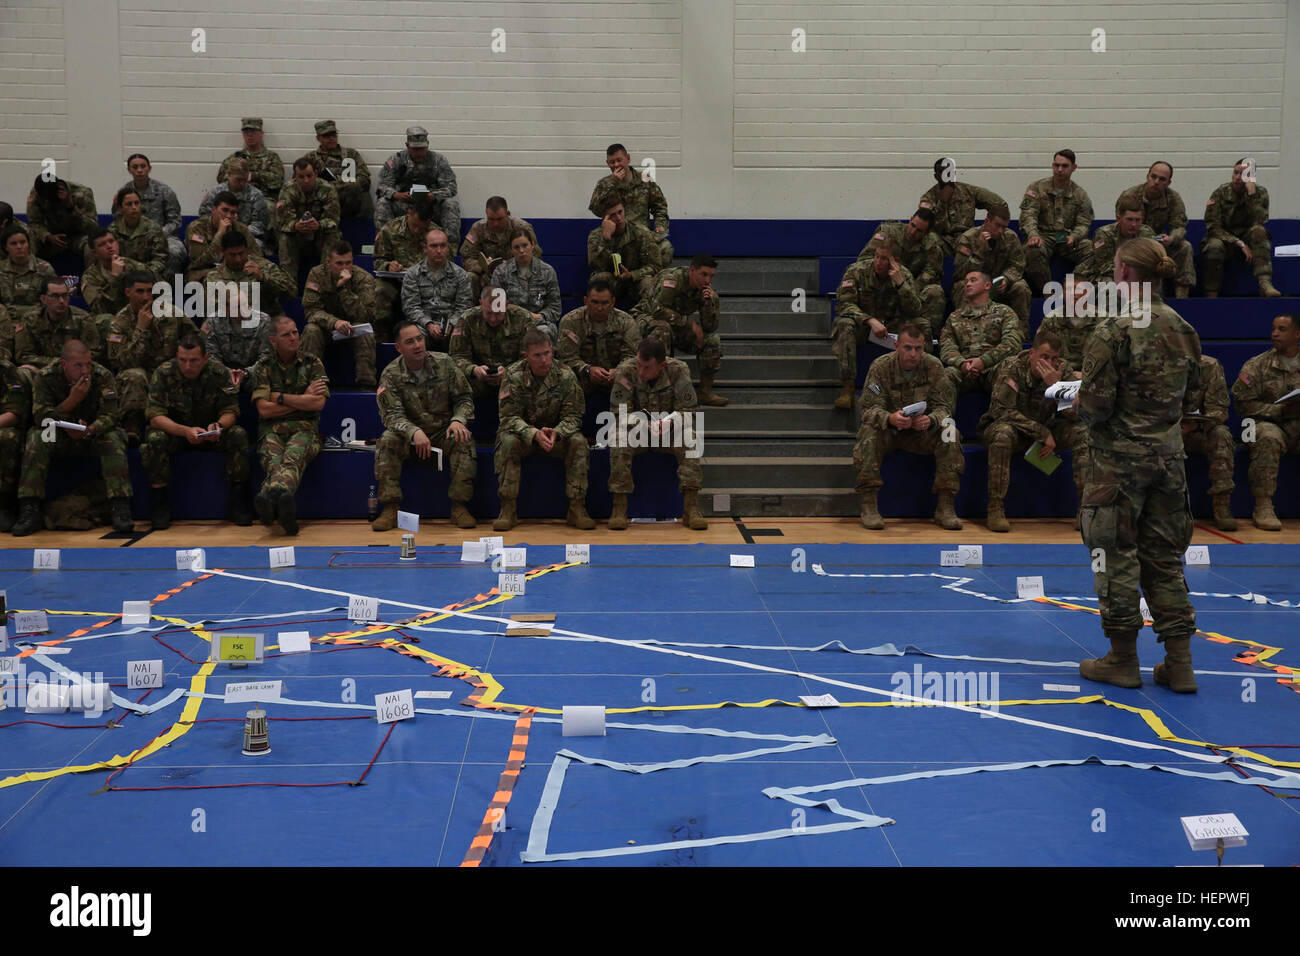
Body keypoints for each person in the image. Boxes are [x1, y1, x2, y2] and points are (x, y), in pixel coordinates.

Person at [1078, 237, 1201, 693]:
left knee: (1116, 558)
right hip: (1169, 463)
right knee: (1166, 561)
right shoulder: (1184, 327)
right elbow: (1189, 397)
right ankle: (1180, 664)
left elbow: (1094, 407)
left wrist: (1076, 398)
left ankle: (1123, 659)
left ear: (1126, 274)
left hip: (1118, 467)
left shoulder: (1114, 330)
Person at [11, 339, 133, 536]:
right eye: (78, 365)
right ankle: (30, 508)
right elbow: (41, 417)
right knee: (37, 437)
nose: (85, 371)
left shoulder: (102, 375)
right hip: (59, 434)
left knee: (114, 438)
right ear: (64, 365)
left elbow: (111, 416)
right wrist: (72, 400)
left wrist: (91, 429)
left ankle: (120, 506)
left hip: (92, 434)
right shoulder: (46, 377)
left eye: (87, 364)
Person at [854, 323, 963, 531]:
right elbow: (868, 409)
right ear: (896, 346)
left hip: (919, 432)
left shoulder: (934, 367)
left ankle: (945, 506)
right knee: (868, 432)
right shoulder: (880, 366)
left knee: (950, 432)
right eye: (907, 348)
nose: (913, 354)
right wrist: (890, 418)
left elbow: (945, 407)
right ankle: (869, 505)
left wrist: (931, 420)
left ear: (924, 348)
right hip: (890, 431)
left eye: (918, 349)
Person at [371, 319, 477, 531]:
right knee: (386, 441)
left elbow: (464, 398)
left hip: (442, 431)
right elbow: (391, 415)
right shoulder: (390, 374)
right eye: (410, 342)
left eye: (420, 339)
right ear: (399, 348)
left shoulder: (445, 363)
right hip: (409, 435)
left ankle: (459, 507)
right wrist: (413, 431)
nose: (418, 345)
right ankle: (390, 509)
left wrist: (458, 419)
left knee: (464, 439)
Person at [977, 329, 1087, 532]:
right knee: (1001, 435)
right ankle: (995, 507)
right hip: (1014, 428)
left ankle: (1085, 510)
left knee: (1083, 434)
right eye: (1044, 357)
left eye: (1053, 358)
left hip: (1047, 427)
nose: (1049, 363)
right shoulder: (1012, 367)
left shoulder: (1062, 370)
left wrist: (1057, 388)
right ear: (1031, 354)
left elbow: (1077, 416)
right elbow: (1001, 410)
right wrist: (1041, 432)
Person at [143, 333, 252, 529]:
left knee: (238, 434)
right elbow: (155, 416)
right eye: (182, 360)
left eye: (193, 361)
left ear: (205, 358)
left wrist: (219, 426)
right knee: (155, 438)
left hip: (211, 434)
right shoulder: (163, 373)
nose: (187, 366)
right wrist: (184, 431)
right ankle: (160, 503)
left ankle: (239, 500)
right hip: (177, 433)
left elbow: (231, 410)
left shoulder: (219, 373)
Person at [493, 328, 594, 531]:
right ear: (526, 356)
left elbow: (573, 416)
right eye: (537, 355)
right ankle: (508, 508)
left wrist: (558, 432)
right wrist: (533, 434)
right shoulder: (513, 375)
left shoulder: (565, 375)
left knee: (579, 442)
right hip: (524, 436)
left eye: (547, 353)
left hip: (555, 436)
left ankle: (577, 507)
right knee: (507, 441)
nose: (544, 360)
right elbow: (508, 417)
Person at [607, 338, 707, 531]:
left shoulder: (678, 370)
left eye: (647, 367)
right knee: (618, 438)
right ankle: (619, 509)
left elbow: (690, 410)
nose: (641, 371)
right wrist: (642, 424)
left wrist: (670, 422)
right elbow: (618, 413)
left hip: (668, 430)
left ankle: (691, 508)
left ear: (661, 365)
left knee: (691, 439)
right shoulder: (626, 371)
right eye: (639, 365)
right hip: (637, 431)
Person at [250, 316, 329, 535]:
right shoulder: (263, 366)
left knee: (292, 457)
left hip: (305, 429)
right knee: (274, 462)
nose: (294, 338)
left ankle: (269, 498)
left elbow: (318, 402)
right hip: (270, 430)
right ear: (274, 341)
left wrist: (281, 398)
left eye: (296, 332)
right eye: (287, 334)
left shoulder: (313, 363)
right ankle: (285, 511)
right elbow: (264, 410)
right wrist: (302, 399)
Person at [105, 270, 200, 443]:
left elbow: (196, 339)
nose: (146, 297)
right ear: (128, 292)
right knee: (134, 375)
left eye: (150, 291)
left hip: (170, 373)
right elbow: (121, 362)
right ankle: (132, 427)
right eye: (140, 291)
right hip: (144, 376)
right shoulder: (118, 323)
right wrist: (141, 330)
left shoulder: (171, 313)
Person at [830, 240, 922, 409]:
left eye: (884, 259)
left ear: (895, 260)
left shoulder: (904, 275)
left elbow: (915, 309)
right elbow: (844, 304)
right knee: (844, 324)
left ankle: (917, 388)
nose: (878, 262)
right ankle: (847, 388)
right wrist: (870, 320)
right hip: (864, 326)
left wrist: (900, 284)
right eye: (877, 257)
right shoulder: (857, 271)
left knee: (921, 325)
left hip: (891, 326)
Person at [1230, 313, 1300, 531]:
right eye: (1273, 329)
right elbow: (1242, 406)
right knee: (1267, 437)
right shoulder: (1257, 365)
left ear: (1297, 334)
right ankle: (1263, 506)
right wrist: (1279, 410)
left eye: (1281, 329)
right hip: (1264, 425)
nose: (1275, 334)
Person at [634, 254, 727, 406]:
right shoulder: (672, 279)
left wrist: (710, 303)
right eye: (703, 274)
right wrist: (688, 324)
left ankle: (704, 392)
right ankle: (656, 392)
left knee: (712, 340)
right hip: (647, 320)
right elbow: (657, 310)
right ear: (692, 270)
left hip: (675, 326)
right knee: (662, 329)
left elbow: (710, 327)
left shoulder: (704, 290)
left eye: (711, 276)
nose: (707, 280)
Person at [301, 241, 379, 389]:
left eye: (348, 263)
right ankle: (307, 383)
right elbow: (311, 310)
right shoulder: (317, 274)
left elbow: (365, 315)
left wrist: (343, 289)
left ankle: (366, 386)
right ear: (328, 262)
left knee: (366, 334)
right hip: (327, 328)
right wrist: (334, 322)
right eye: (339, 263)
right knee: (311, 330)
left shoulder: (363, 278)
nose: (344, 268)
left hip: (353, 328)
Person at [1201, 158, 1281, 298]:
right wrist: (1238, 242)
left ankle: (1265, 284)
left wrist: (1251, 195)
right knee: (1214, 245)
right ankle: (1211, 294)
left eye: (1243, 175)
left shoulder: (1260, 193)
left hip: (1249, 239)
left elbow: (1260, 220)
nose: (1238, 178)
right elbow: (1212, 226)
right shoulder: (1220, 193)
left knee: (1259, 231)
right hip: (1225, 240)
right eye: (1236, 173)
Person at [1114, 161, 1195, 296]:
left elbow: (1179, 226)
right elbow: (1123, 223)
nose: (1156, 182)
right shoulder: (1130, 195)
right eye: (1153, 177)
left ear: (1168, 182)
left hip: (1160, 241)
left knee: (1185, 247)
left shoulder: (1173, 198)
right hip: (1134, 243)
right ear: (1147, 176)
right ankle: (1150, 297)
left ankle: (1182, 299)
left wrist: (1172, 238)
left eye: (1162, 179)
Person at [1019, 149, 1094, 294]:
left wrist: (1074, 237)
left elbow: (1084, 223)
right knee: (1031, 250)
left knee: (1090, 249)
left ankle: (1072, 289)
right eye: (1056, 165)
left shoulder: (1080, 194)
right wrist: (1033, 235)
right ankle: (1049, 292)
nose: (1059, 170)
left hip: (1066, 237)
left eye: (1064, 166)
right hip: (1043, 236)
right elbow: (1028, 215)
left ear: (1074, 168)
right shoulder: (1037, 187)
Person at [860, 210, 945, 333]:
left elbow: (931, 273)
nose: (913, 232)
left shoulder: (932, 245)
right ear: (910, 220)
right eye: (912, 225)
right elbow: (865, 260)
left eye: (919, 231)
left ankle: (925, 337)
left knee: (935, 291)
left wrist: (905, 287)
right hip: (883, 284)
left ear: (927, 232)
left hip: (910, 289)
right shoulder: (888, 233)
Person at [939, 270, 1023, 395]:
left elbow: (1012, 344)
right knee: (946, 375)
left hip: (993, 368)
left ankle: (1003, 413)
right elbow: (947, 346)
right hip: (965, 370)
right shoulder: (955, 317)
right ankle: (943, 413)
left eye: (973, 280)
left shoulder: (1004, 312)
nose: (967, 284)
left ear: (987, 285)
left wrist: (983, 361)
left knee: (1010, 370)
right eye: (966, 281)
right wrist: (962, 363)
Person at [950, 204, 1031, 333]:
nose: (1000, 231)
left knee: (1021, 286)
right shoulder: (968, 238)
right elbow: (961, 273)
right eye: (997, 225)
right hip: (976, 287)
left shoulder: (1010, 238)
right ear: (987, 221)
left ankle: (1020, 333)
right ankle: (966, 335)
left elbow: (1018, 265)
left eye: (1004, 227)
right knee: (961, 286)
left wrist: (1007, 278)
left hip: (998, 286)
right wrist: (981, 252)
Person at [374, 126, 460, 246]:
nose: (419, 152)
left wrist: (432, 196)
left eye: (422, 148)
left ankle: (450, 248)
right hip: (406, 205)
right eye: (415, 149)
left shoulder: (438, 160)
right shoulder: (396, 160)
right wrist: (396, 195)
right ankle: (385, 245)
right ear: (407, 145)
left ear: (428, 145)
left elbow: (451, 187)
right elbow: (382, 185)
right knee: (383, 203)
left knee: (451, 204)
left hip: (429, 206)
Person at [588, 144, 673, 262]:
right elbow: (596, 210)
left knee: (665, 247)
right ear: (607, 163)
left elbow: (660, 206)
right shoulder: (604, 184)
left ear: (627, 159)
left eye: (619, 160)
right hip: (616, 237)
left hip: (642, 236)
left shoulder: (645, 180)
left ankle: (655, 277)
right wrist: (613, 184)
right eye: (612, 162)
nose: (616, 165)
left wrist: (660, 226)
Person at [556, 277, 640, 396]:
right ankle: (570, 414)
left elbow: (632, 356)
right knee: (564, 380)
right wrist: (587, 369)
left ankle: (624, 414)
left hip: (617, 377)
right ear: (585, 301)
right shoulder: (571, 321)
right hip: (583, 377)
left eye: (604, 303)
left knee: (635, 382)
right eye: (594, 302)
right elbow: (566, 357)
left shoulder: (626, 322)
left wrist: (619, 371)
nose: (599, 308)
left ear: (613, 302)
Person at [1183, 354, 1237, 532]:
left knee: (1221, 434)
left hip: (1197, 431)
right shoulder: (1153, 363)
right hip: (1163, 430)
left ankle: (1222, 506)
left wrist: (1195, 424)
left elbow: (1219, 411)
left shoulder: (1209, 365)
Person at [450, 285, 534, 399]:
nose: (493, 319)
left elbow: (531, 355)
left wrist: (509, 372)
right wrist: (473, 369)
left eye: (498, 313)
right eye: (488, 313)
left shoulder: (523, 318)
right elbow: (457, 355)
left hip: (514, 378)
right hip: (478, 379)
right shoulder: (468, 319)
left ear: (506, 305)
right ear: (480, 303)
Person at [400, 227, 472, 350]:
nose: (439, 250)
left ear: (448, 248)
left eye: (443, 246)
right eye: (433, 246)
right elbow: (411, 307)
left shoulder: (460, 274)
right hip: (423, 325)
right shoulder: (413, 274)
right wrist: (429, 324)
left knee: (462, 335)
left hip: (452, 324)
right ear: (425, 248)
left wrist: (451, 324)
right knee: (415, 338)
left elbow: (464, 307)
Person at [917, 158, 1007, 255]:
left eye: (949, 173)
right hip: (942, 240)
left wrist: (988, 227)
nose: (946, 176)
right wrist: (942, 203)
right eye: (942, 173)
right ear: (936, 176)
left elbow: (1000, 205)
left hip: (968, 238)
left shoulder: (969, 191)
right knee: (928, 240)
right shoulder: (929, 198)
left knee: (995, 240)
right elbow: (925, 223)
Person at [460, 197, 543, 299]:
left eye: (500, 219)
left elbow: (536, 254)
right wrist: (483, 266)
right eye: (491, 219)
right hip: (486, 275)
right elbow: (467, 257)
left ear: (507, 214)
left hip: (515, 273)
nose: (495, 224)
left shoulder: (521, 227)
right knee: (470, 277)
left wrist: (510, 265)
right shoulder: (478, 228)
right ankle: (473, 311)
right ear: (486, 213)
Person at [373, 198, 434, 333]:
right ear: (409, 214)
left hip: (425, 282)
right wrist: (388, 266)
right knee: (380, 291)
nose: (417, 231)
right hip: (396, 281)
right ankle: (380, 338)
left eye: (422, 228)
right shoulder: (390, 229)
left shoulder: (435, 234)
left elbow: (445, 263)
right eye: (414, 225)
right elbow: (378, 260)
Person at [118, 154, 186, 273]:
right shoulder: (123, 193)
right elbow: (118, 218)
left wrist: (158, 234)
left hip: (163, 235)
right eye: (135, 167)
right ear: (129, 170)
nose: (139, 170)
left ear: (149, 168)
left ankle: (168, 288)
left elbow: (175, 221)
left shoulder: (165, 191)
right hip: (131, 236)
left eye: (143, 166)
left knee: (176, 252)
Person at [15, 278, 103, 371]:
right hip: (40, 371)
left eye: (65, 295)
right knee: (23, 372)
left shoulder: (83, 319)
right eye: (55, 296)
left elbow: (93, 353)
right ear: (43, 299)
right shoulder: (30, 319)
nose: (61, 301)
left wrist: (65, 364)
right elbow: (23, 355)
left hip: (76, 370)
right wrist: (56, 364)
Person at [586, 198, 662, 304]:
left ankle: (645, 317)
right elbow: (597, 266)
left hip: (635, 281)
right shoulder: (596, 236)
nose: (618, 217)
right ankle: (602, 316)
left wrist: (632, 275)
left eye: (620, 212)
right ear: (605, 218)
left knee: (648, 283)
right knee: (599, 279)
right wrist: (606, 239)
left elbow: (655, 266)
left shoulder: (641, 232)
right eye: (612, 215)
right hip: (613, 282)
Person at [276, 157, 341, 278]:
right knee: (285, 238)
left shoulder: (327, 189)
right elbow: (283, 220)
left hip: (319, 235)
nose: (306, 180)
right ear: (295, 176)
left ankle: (325, 281)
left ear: (316, 174)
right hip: (298, 235)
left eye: (309, 176)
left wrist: (318, 225)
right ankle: (288, 283)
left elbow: (333, 220)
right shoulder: (288, 189)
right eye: (301, 177)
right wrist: (296, 225)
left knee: (333, 235)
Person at [490, 232, 560, 342]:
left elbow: (555, 307)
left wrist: (540, 316)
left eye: (525, 245)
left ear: (532, 245)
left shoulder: (547, 271)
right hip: (510, 324)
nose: (521, 251)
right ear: (511, 250)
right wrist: (521, 316)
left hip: (538, 324)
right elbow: (496, 306)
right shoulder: (501, 272)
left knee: (545, 332)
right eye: (516, 247)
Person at [185, 191, 263, 284]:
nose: (228, 216)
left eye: (233, 212)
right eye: (225, 210)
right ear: (213, 209)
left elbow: (257, 256)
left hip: (234, 271)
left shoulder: (241, 229)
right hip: (203, 272)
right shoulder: (197, 228)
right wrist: (220, 234)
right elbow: (200, 261)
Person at [305, 120, 371, 218]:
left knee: (364, 197)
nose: (331, 138)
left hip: (348, 200)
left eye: (334, 135)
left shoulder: (350, 155)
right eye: (326, 136)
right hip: (321, 199)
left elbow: (364, 178)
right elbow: (301, 180)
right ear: (318, 138)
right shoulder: (311, 158)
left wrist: (342, 186)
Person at [80, 228, 152, 318]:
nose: (109, 246)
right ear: (94, 252)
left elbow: (159, 291)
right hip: (112, 319)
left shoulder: (135, 266)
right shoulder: (90, 277)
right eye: (102, 244)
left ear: (117, 244)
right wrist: (115, 277)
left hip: (138, 313)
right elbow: (101, 309)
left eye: (111, 241)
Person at [1081, 197, 1154, 284]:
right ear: (1119, 218)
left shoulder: (1147, 233)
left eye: (1138, 220)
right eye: (1129, 219)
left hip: (1137, 275)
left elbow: (1151, 260)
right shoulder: (1103, 234)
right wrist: (1129, 273)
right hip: (1107, 275)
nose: (1134, 224)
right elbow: (1103, 266)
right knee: (1111, 285)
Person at [198, 157, 270, 241]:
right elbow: (204, 216)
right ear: (229, 174)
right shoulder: (215, 193)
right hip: (217, 234)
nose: (242, 183)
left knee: (257, 245)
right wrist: (220, 231)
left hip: (245, 237)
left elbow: (259, 224)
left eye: (245, 179)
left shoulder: (256, 195)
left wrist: (238, 233)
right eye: (238, 180)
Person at [25, 176, 98, 260]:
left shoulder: (82, 193)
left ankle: (93, 273)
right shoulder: (38, 192)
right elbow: (34, 222)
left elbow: (93, 227)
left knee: (92, 246)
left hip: (77, 236)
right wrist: (47, 236)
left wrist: (70, 207)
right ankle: (28, 272)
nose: (48, 201)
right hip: (50, 236)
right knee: (26, 242)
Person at [216, 118, 285, 201]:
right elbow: (221, 178)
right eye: (246, 132)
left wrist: (254, 176)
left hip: (264, 198)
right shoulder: (235, 158)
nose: (250, 135)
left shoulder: (271, 158)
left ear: (261, 134)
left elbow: (278, 181)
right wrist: (243, 180)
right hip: (237, 197)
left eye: (254, 131)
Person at [108, 187, 168, 278]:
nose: (134, 207)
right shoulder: (113, 230)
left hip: (148, 276)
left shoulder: (153, 229)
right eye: (129, 204)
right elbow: (110, 258)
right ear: (120, 208)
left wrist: (141, 271)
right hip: (121, 274)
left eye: (137, 203)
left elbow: (161, 260)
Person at [0, 225, 57, 321]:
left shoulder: (44, 268)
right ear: (6, 248)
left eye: (23, 242)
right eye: (13, 244)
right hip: (6, 321)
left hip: (37, 321)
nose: (19, 247)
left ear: (29, 244)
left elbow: (54, 299)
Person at [0, 354, 30, 531]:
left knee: (6, 437)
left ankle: (3, 504)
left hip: (2, 423)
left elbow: (14, 413)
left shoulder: (5, 370)